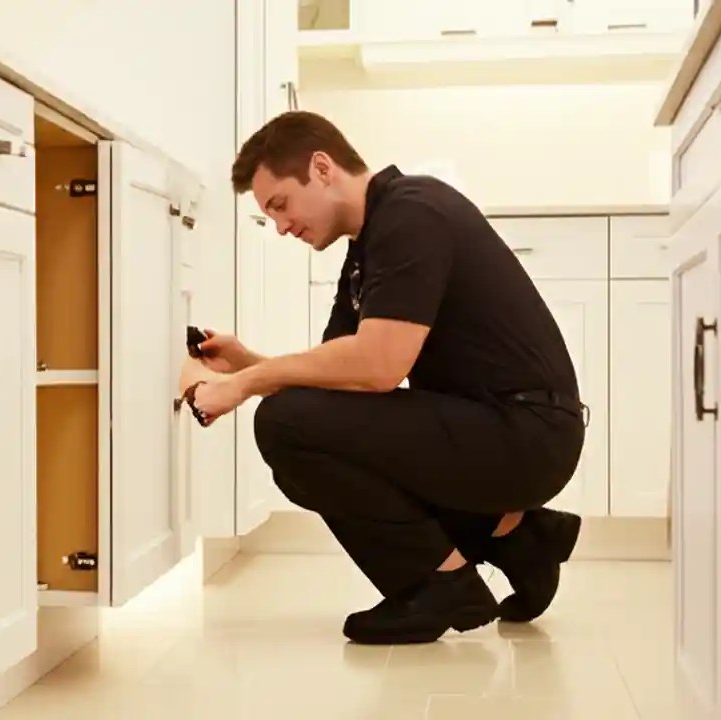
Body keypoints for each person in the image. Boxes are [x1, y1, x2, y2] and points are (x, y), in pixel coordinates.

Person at [184, 111, 587, 645]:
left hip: (528, 431)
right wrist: (245, 363)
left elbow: (378, 367)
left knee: (284, 423)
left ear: (321, 168)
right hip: (498, 429)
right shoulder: (368, 246)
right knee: (298, 447)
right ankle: (517, 538)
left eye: (280, 204)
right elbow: (333, 379)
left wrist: (248, 385)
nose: (280, 226)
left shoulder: (412, 213)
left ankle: (437, 585)